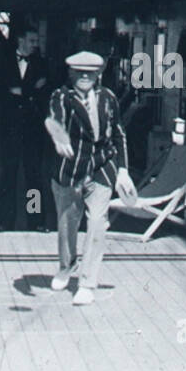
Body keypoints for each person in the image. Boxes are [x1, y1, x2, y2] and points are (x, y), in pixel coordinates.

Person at [44, 51, 134, 305]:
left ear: (98, 74)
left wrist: (124, 170)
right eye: (79, 72)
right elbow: (55, 118)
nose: (84, 77)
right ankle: (66, 265)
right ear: (70, 73)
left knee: (97, 222)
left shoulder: (108, 98)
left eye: (90, 73)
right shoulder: (61, 96)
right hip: (69, 169)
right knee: (66, 223)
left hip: (101, 167)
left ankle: (87, 283)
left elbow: (119, 134)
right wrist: (58, 135)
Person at [0, 26, 51, 232]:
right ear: (20, 40)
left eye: (37, 41)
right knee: (8, 175)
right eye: (32, 40)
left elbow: (44, 92)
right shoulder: (5, 63)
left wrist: (20, 92)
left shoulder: (42, 64)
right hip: (10, 129)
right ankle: (3, 222)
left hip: (33, 131)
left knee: (34, 176)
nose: (35, 45)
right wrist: (30, 91)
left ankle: (35, 221)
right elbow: (1, 92)